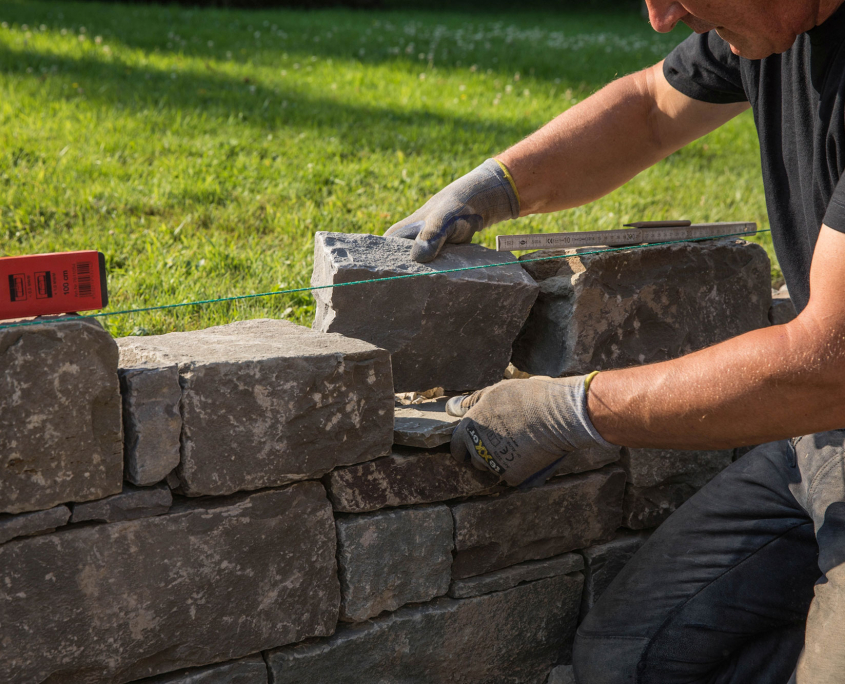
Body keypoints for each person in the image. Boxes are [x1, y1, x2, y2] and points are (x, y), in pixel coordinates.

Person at [384, 0, 845, 681]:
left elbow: (824, 366)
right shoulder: (770, 28)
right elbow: (651, 107)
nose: (660, 18)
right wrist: (494, 187)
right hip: (820, 438)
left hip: (823, 396)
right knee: (626, 660)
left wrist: (563, 412)